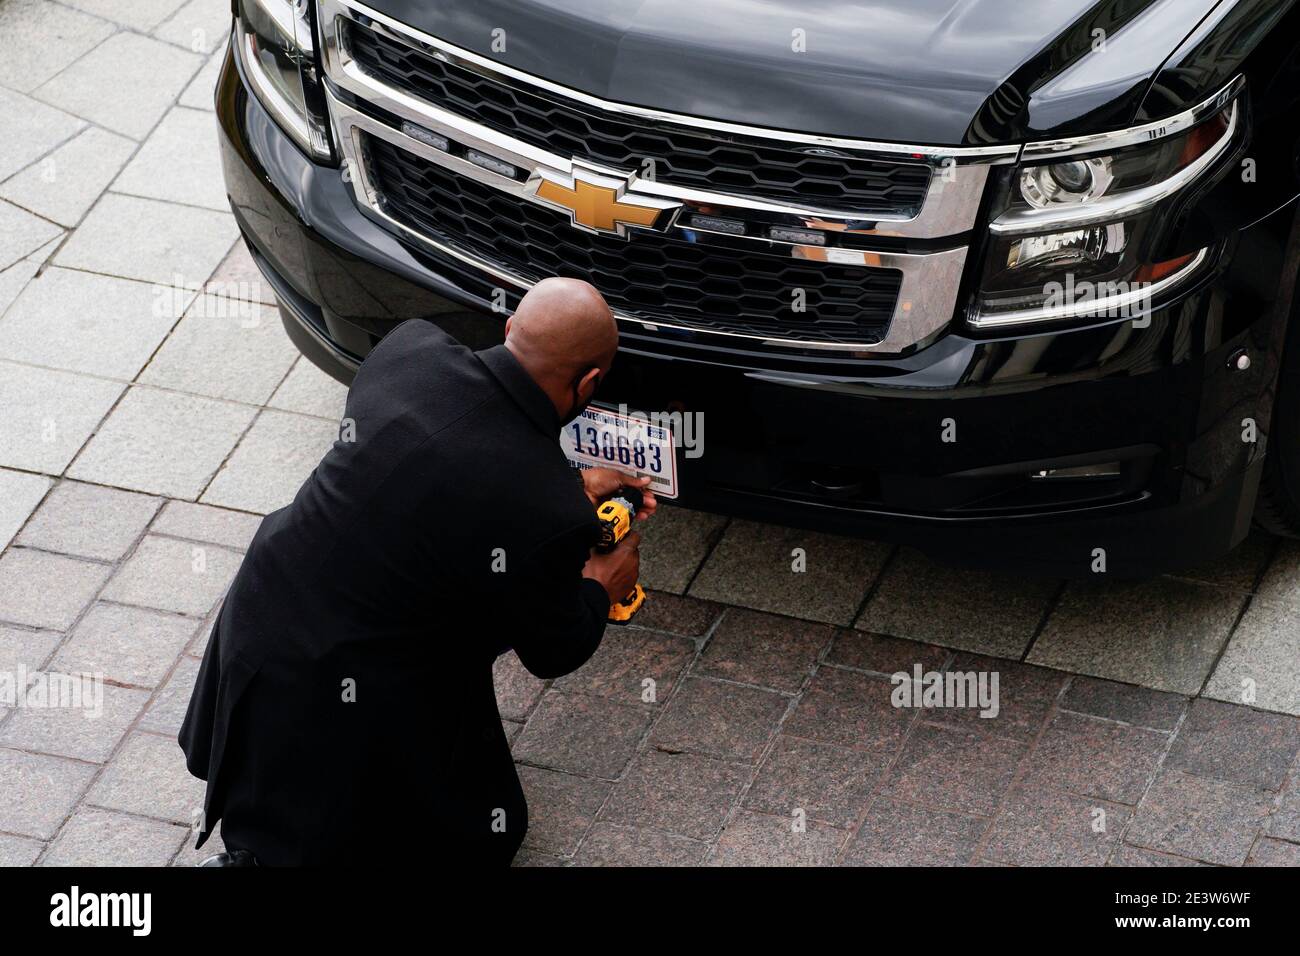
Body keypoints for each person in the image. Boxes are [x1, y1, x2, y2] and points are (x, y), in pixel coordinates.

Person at [179, 277, 655, 865]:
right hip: (347, 677)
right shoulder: (544, 507)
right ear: (588, 383)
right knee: (472, 834)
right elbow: (554, 649)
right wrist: (602, 582)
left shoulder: (409, 352)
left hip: (264, 604)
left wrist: (568, 491)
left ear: (510, 330)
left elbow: (440, 467)